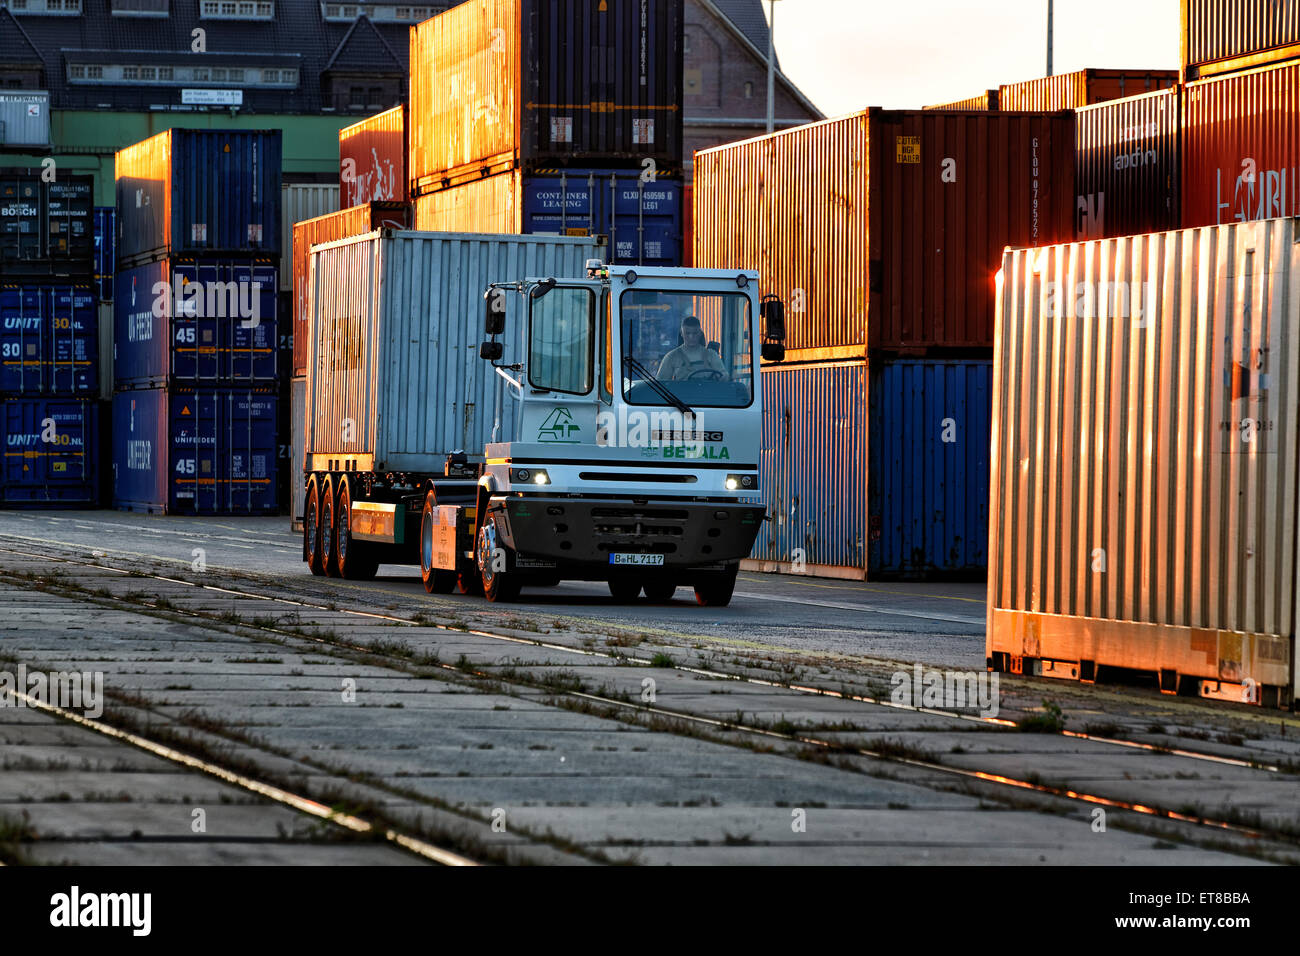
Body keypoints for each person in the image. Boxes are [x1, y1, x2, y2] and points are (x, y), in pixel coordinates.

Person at [657, 316, 726, 381]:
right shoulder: (672, 357)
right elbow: (661, 383)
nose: (691, 337)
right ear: (682, 333)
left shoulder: (711, 355)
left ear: (700, 333)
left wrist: (723, 377)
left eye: (695, 333)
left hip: (708, 393)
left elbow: (724, 376)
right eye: (687, 333)